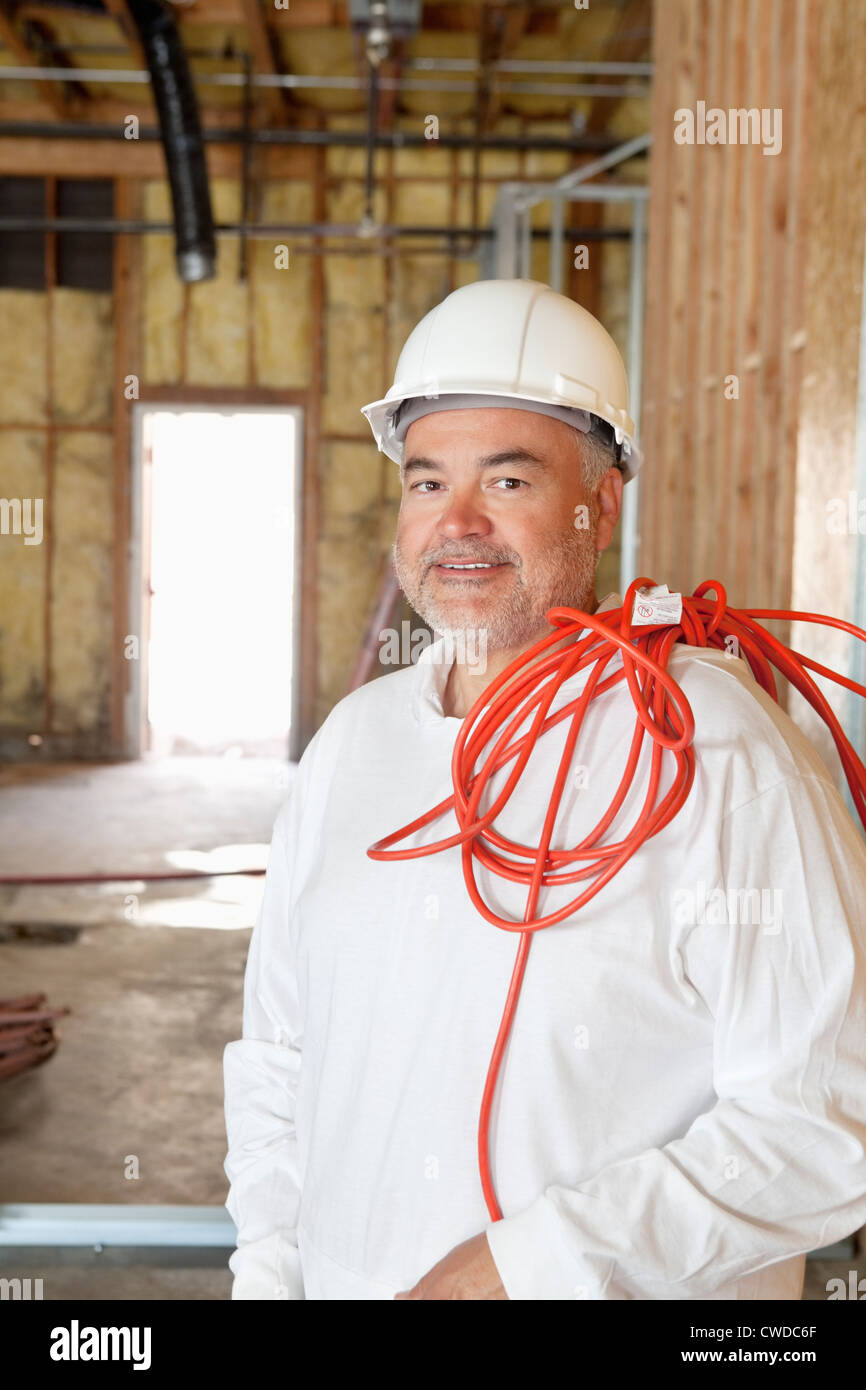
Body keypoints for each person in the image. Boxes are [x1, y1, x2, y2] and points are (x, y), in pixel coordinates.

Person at [223, 278, 866, 1300]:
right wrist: (269, 1277)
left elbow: (827, 1119)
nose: (457, 523)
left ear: (599, 502)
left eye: (508, 482)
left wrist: (525, 1270)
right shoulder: (352, 749)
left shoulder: (715, 753)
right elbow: (278, 1062)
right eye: (427, 482)